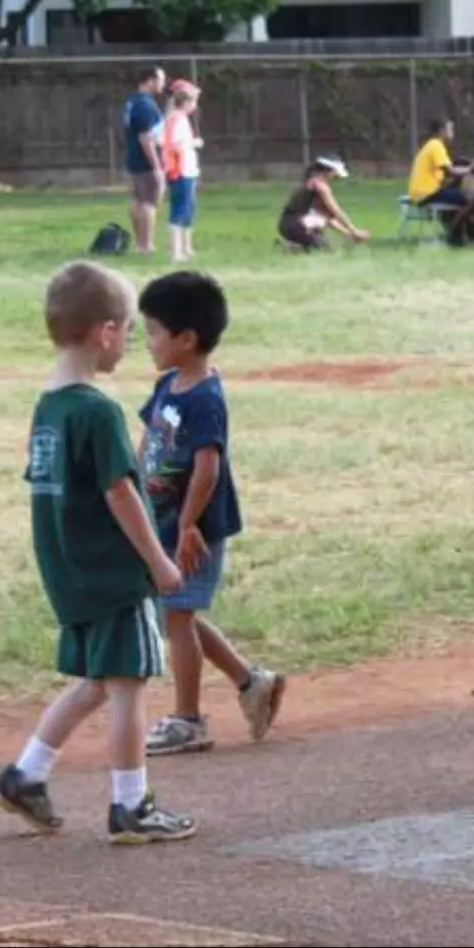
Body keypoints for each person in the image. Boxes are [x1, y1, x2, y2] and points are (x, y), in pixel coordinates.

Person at [0, 261, 198, 845]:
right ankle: (131, 804)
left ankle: (25, 774)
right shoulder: (98, 410)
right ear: (106, 331)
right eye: (129, 331)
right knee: (129, 683)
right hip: (112, 572)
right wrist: (157, 561)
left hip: (68, 568)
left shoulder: (49, 406)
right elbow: (120, 491)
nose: (130, 343)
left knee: (97, 681)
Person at [135, 271, 286, 757]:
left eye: (155, 332)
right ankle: (251, 682)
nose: (148, 342)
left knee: (177, 617)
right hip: (163, 523)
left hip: (192, 529)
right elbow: (150, 441)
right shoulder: (169, 385)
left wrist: (185, 525)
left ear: (187, 338)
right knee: (176, 614)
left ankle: (188, 719)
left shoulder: (204, 398)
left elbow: (208, 465)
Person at [278, 156, 369, 252]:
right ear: (328, 171)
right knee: (323, 249)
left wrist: (348, 234)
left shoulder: (311, 183)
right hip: (297, 225)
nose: (335, 177)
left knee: (325, 247)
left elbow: (327, 218)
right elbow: (336, 210)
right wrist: (354, 231)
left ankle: (292, 246)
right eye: (335, 173)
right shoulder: (320, 186)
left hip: (287, 224)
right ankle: (289, 247)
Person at [122, 66, 167, 256]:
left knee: (136, 200)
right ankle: (146, 245)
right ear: (150, 80)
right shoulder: (145, 106)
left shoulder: (132, 102)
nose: (163, 84)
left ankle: (141, 242)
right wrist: (156, 166)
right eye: (161, 79)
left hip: (133, 157)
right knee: (149, 202)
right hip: (145, 161)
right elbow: (146, 137)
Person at [161, 80, 202, 264]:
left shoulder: (178, 118)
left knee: (189, 209)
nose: (195, 106)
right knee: (179, 210)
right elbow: (176, 144)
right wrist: (194, 143)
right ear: (185, 103)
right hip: (180, 171)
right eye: (193, 102)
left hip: (188, 170)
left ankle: (186, 247)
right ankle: (175, 251)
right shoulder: (176, 119)